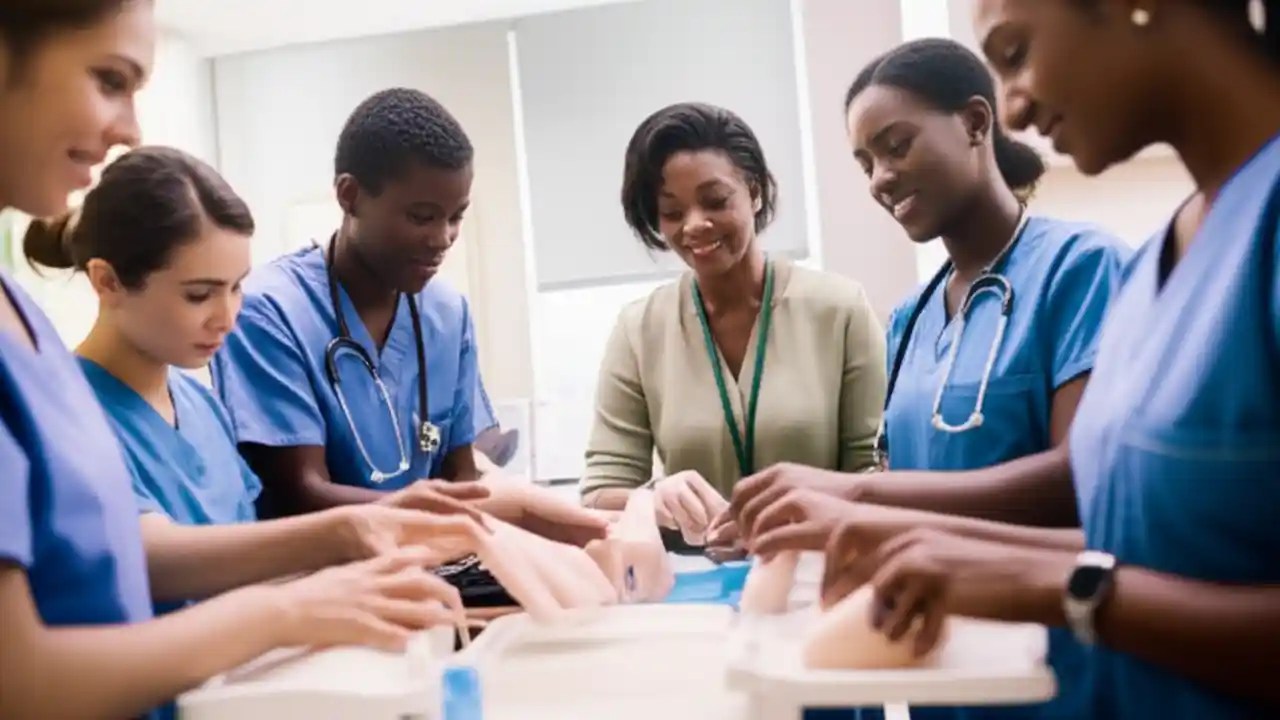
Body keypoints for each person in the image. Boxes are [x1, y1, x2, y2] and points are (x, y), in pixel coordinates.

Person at [765, 2, 1280, 719]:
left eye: (1015, 52)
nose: (1013, 102)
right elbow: (1134, 535)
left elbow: (1084, 532)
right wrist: (923, 542)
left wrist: (1047, 587)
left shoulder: (1108, 263)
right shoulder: (1160, 264)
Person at [0, 4, 473, 719]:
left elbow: (135, 557)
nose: (129, 127)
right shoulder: (71, 384)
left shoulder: (30, 327)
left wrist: (354, 540)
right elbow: (23, 677)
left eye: (235, 289)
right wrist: (285, 608)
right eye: (108, 78)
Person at [731, 37, 1131, 720]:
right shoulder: (911, 318)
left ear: (977, 124)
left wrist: (854, 494)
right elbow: (907, 483)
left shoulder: (1081, 268)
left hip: (1052, 671)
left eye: (896, 145)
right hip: (935, 670)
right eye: (865, 162)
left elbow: (1082, 481)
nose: (880, 178)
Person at [28, 144, 497, 619]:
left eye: (236, 288)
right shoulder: (63, 411)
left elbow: (252, 562)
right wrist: (355, 528)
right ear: (107, 282)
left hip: (245, 681)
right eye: (199, 295)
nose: (227, 317)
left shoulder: (201, 406)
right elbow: (149, 557)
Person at [211, 88, 605, 546]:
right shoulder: (270, 309)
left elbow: (462, 476)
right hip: (318, 579)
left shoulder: (446, 315)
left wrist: (568, 528)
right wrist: (453, 515)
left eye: (456, 216)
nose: (443, 238)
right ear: (350, 196)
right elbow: (299, 493)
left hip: (434, 565)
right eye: (422, 217)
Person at [581, 101, 887, 546]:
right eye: (671, 212)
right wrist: (651, 498)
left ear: (755, 191)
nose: (695, 225)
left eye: (715, 200)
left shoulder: (839, 309)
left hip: (819, 570)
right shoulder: (639, 330)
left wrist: (812, 509)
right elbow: (598, 494)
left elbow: (875, 472)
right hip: (694, 590)